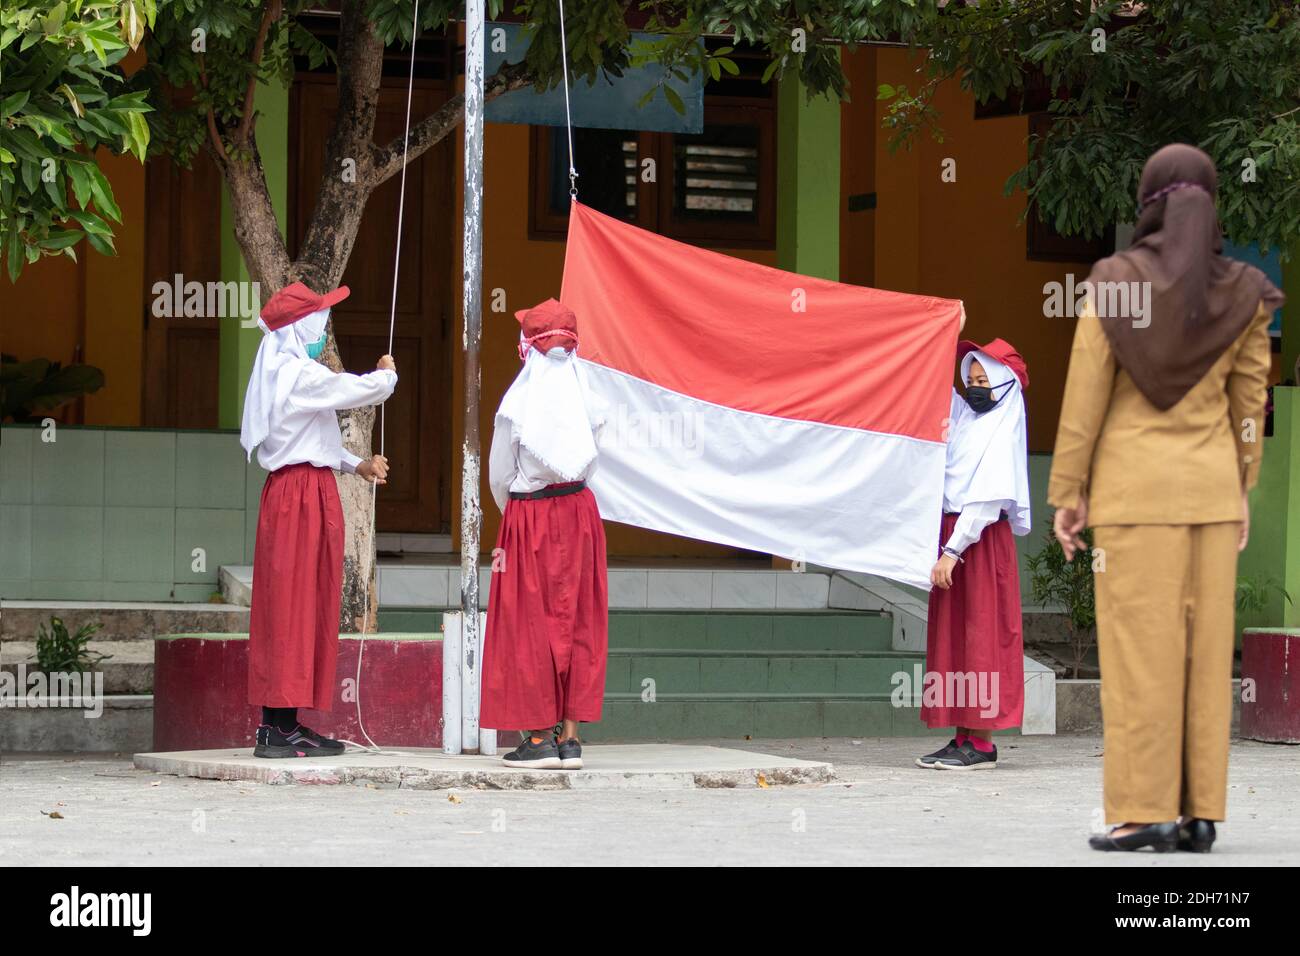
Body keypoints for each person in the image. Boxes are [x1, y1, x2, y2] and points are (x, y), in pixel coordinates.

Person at [1049, 144, 1282, 852]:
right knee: (1207, 659)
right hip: (1211, 495)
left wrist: (1068, 489)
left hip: (1131, 497)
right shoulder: (1244, 291)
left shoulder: (1114, 283)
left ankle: (1141, 810)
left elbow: (1086, 397)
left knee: (1138, 656)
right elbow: (1250, 401)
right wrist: (1241, 487)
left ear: (1148, 204)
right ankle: (1198, 812)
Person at [239, 281, 397, 758]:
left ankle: (284, 723)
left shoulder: (285, 371)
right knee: (293, 605)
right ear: (299, 326)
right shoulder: (294, 373)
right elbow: (347, 389)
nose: (323, 326)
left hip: (299, 490)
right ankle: (278, 726)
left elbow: (313, 440)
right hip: (301, 497)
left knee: (299, 605)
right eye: (319, 318)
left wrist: (357, 465)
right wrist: (385, 377)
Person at [481, 298, 609, 770]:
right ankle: (570, 738)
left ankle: (538, 738)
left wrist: (515, 515)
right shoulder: (590, 399)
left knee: (528, 621)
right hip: (580, 512)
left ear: (528, 348)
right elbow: (597, 457)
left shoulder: (517, 403)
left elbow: (499, 476)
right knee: (579, 617)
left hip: (530, 514)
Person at [916, 338, 1032, 770]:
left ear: (1005, 383)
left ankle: (981, 742)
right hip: (954, 539)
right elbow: (936, 387)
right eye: (971, 379)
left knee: (981, 635)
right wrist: (942, 334)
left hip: (976, 542)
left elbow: (985, 501)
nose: (976, 387)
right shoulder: (968, 421)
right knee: (955, 636)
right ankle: (962, 734)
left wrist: (951, 550)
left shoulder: (1004, 426)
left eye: (985, 379)